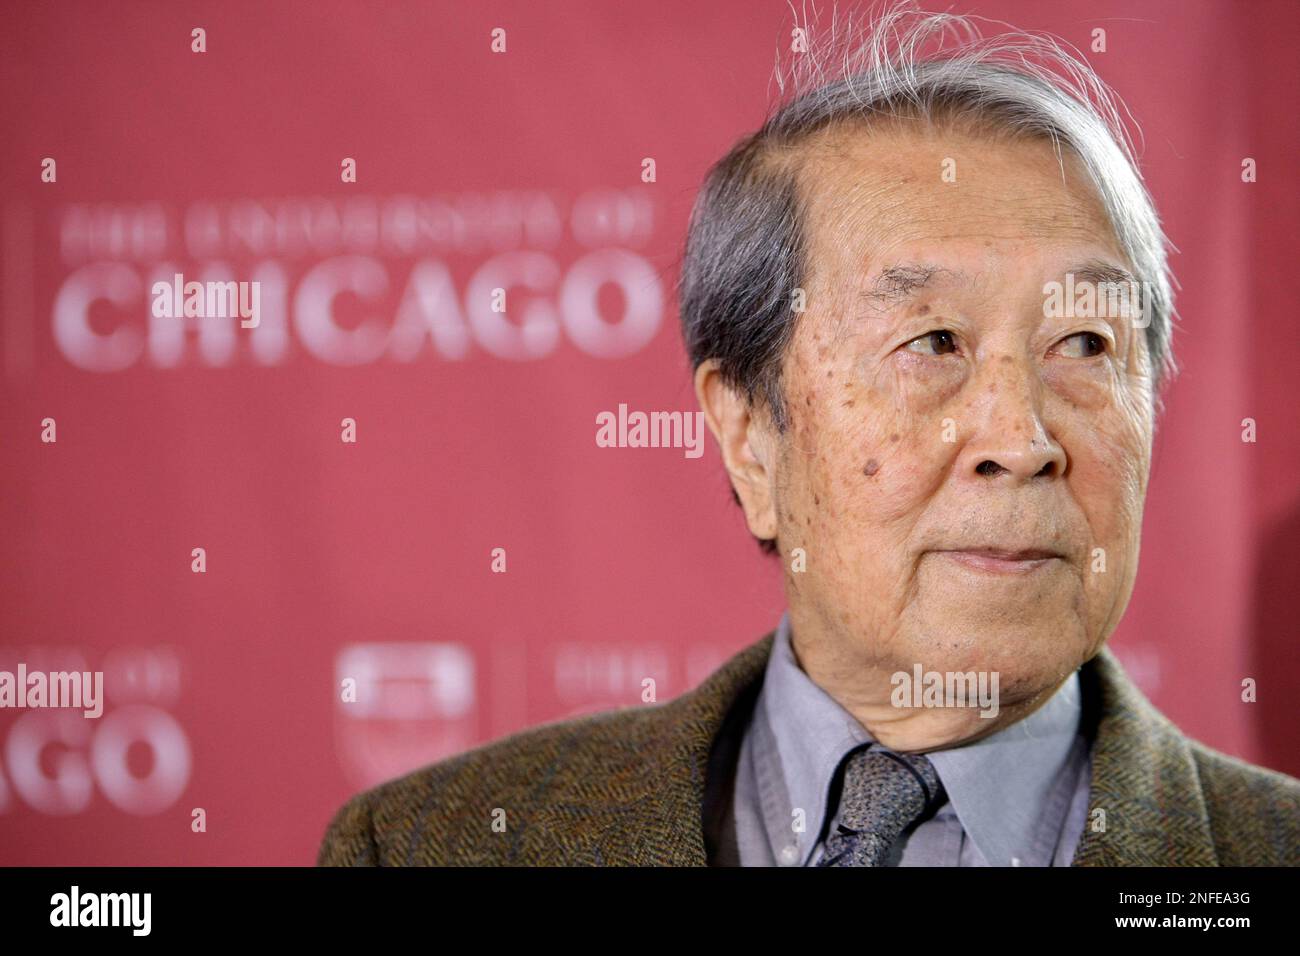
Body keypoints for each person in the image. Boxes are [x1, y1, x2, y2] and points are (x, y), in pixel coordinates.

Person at [317, 4, 1299, 866]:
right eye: (932, 340)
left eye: (1084, 339)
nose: (1019, 435)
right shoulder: (428, 846)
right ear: (750, 437)